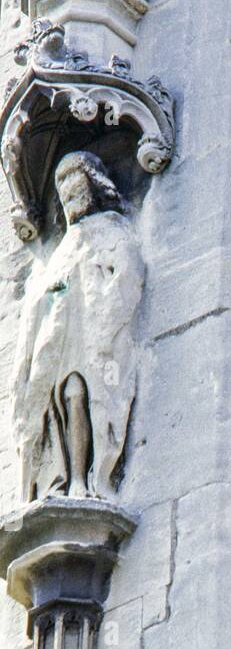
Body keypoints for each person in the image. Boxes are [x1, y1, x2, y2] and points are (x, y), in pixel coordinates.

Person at [12, 150, 145, 502]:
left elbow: (127, 273)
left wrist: (106, 307)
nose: (70, 201)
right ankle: (72, 479)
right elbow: (48, 289)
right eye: (64, 196)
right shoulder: (67, 244)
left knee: (93, 399)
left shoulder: (112, 230)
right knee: (70, 396)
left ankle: (92, 476)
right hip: (64, 338)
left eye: (76, 192)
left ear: (93, 188)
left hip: (98, 336)